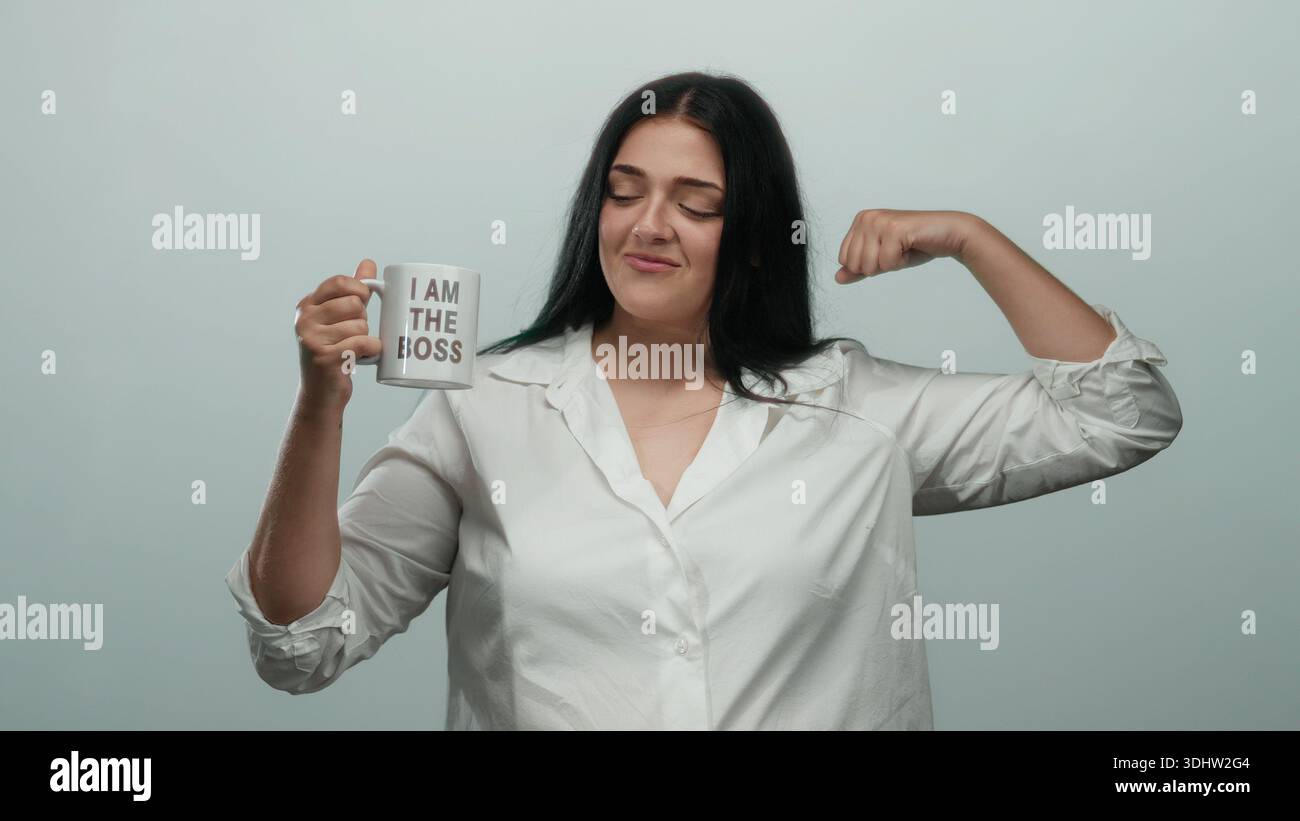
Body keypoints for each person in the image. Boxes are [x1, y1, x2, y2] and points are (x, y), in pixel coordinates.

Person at [225, 71, 1182, 730]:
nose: (648, 225)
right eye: (625, 191)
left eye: (696, 202)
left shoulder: (857, 410)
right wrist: (322, 404)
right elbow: (303, 640)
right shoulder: (486, 406)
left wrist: (974, 238)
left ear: (757, 236)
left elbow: (1123, 410)